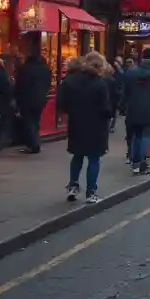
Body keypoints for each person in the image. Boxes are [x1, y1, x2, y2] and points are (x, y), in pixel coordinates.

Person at [57, 52, 113, 202]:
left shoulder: (70, 80)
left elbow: (61, 103)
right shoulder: (100, 83)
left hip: (76, 123)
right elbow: (106, 108)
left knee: (77, 156)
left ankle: (73, 186)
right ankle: (91, 192)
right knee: (94, 159)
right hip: (96, 126)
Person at [121, 49, 150, 175]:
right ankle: (142, 164)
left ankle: (135, 163)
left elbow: (125, 91)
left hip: (133, 109)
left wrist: (123, 106)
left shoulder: (131, 72)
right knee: (146, 137)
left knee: (136, 136)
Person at [13, 54, 52, 154]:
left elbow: (20, 84)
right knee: (35, 120)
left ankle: (33, 145)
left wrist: (17, 98)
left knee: (28, 121)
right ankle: (35, 141)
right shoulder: (45, 69)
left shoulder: (25, 69)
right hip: (41, 98)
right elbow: (48, 84)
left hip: (27, 98)